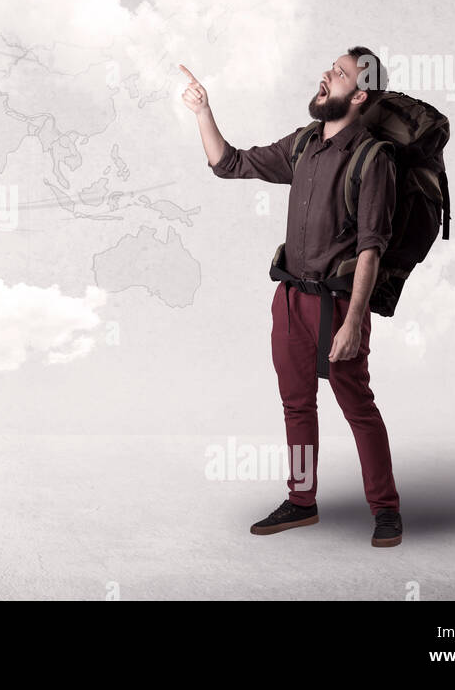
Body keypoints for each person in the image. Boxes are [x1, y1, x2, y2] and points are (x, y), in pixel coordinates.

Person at [179, 49, 403, 547]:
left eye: (340, 73)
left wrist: (352, 324)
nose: (326, 74)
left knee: (357, 405)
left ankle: (386, 509)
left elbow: (371, 250)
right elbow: (228, 163)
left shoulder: (373, 158)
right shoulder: (303, 144)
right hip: (289, 299)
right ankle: (302, 502)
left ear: (359, 95)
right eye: (330, 67)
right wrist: (203, 112)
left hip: (340, 306)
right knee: (296, 405)